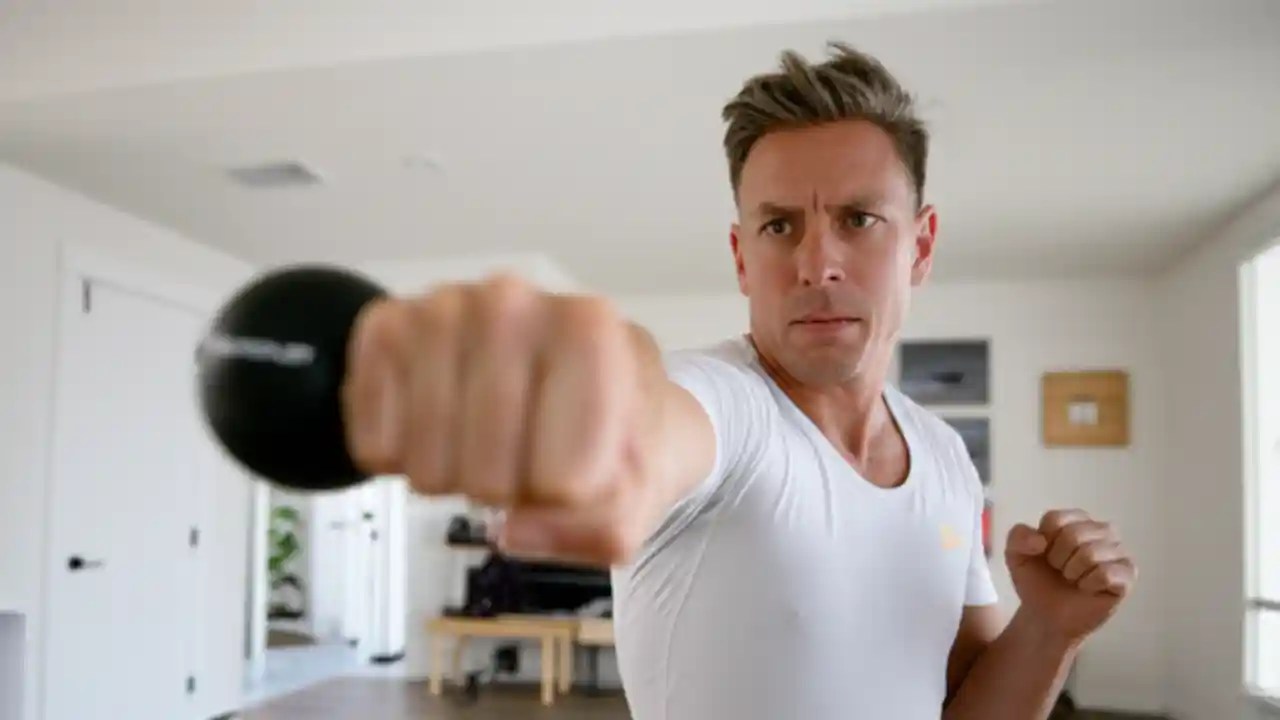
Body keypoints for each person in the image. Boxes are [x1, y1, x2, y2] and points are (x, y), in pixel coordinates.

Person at [341, 42, 1136, 720]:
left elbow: (966, 704)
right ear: (740, 254)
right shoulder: (724, 405)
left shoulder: (944, 458)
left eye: (858, 220)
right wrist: (593, 422)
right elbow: (655, 430)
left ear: (921, 246)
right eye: (779, 224)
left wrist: (1051, 627)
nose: (816, 262)